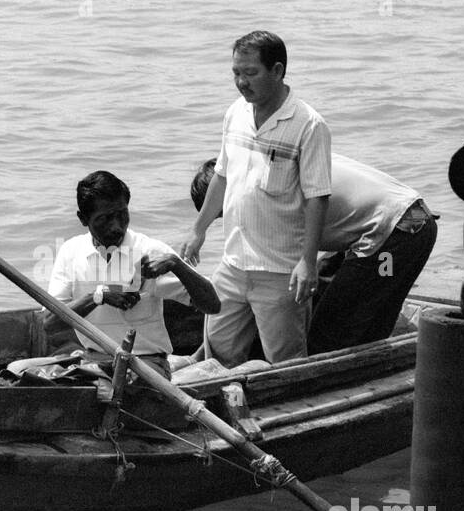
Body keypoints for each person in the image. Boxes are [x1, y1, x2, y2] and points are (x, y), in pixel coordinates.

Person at [180, 30, 332, 366]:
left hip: (279, 270)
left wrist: (307, 262)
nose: (241, 82)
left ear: (277, 71)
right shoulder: (235, 113)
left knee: (286, 362)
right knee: (216, 355)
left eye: (250, 73)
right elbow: (221, 175)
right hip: (233, 263)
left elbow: (317, 198)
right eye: (236, 73)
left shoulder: (308, 125)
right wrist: (198, 229)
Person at [190, 155, 437, 354]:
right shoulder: (272, 164)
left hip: (399, 233)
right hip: (397, 220)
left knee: (332, 330)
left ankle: (354, 371)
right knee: (333, 295)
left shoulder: (269, 197)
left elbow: (276, 278)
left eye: (223, 213)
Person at [44, 170, 220, 379]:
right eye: (105, 218)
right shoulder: (70, 252)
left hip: (145, 365)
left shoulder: (149, 251)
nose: (117, 226)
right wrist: (97, 297)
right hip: (95, 362)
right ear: (83, 219)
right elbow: (49, 324)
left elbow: (212, 305)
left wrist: (176, 265)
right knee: (20, 373)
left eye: (121, 214)